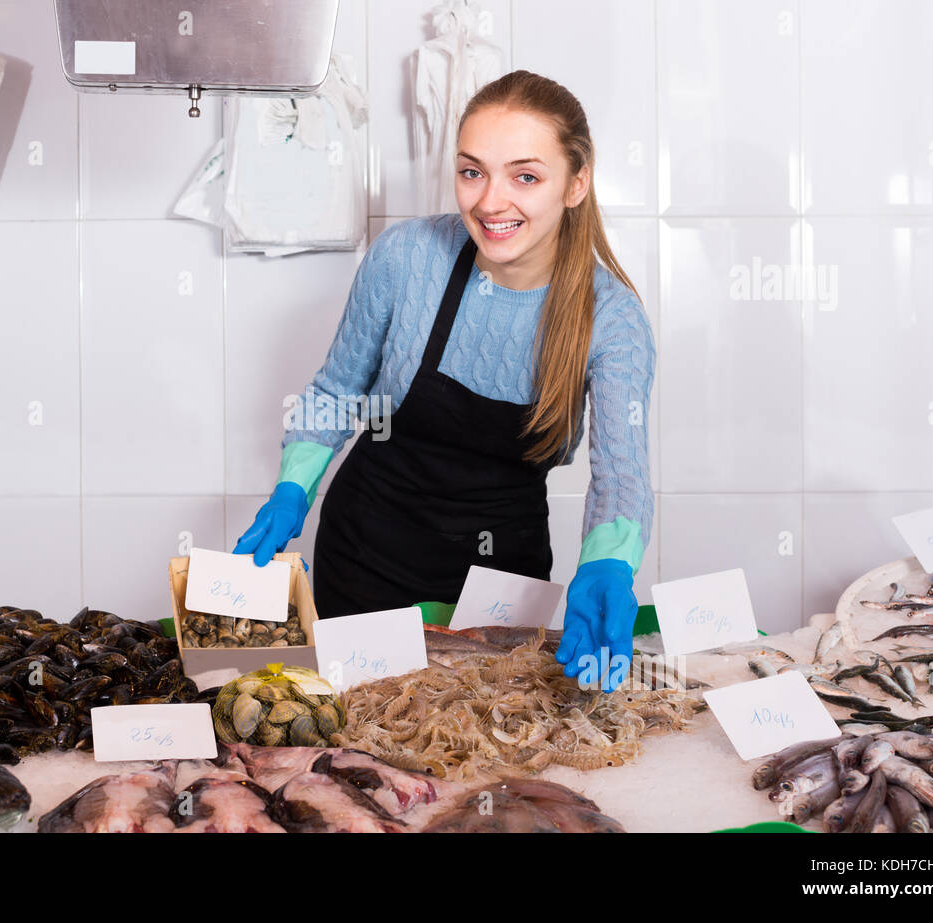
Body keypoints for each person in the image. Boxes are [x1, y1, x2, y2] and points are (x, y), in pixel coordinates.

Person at [232, 70, 655, 692]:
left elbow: (621, 474)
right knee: (366, 745)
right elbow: (338, 390)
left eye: (526, 176)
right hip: (368, 549)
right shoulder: (407, 257)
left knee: (483, 748)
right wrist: (295, 485)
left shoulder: (613, 321)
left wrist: (608, 565)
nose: (490, 202)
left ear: (577, 182)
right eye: (472, 171)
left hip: (502, 572)